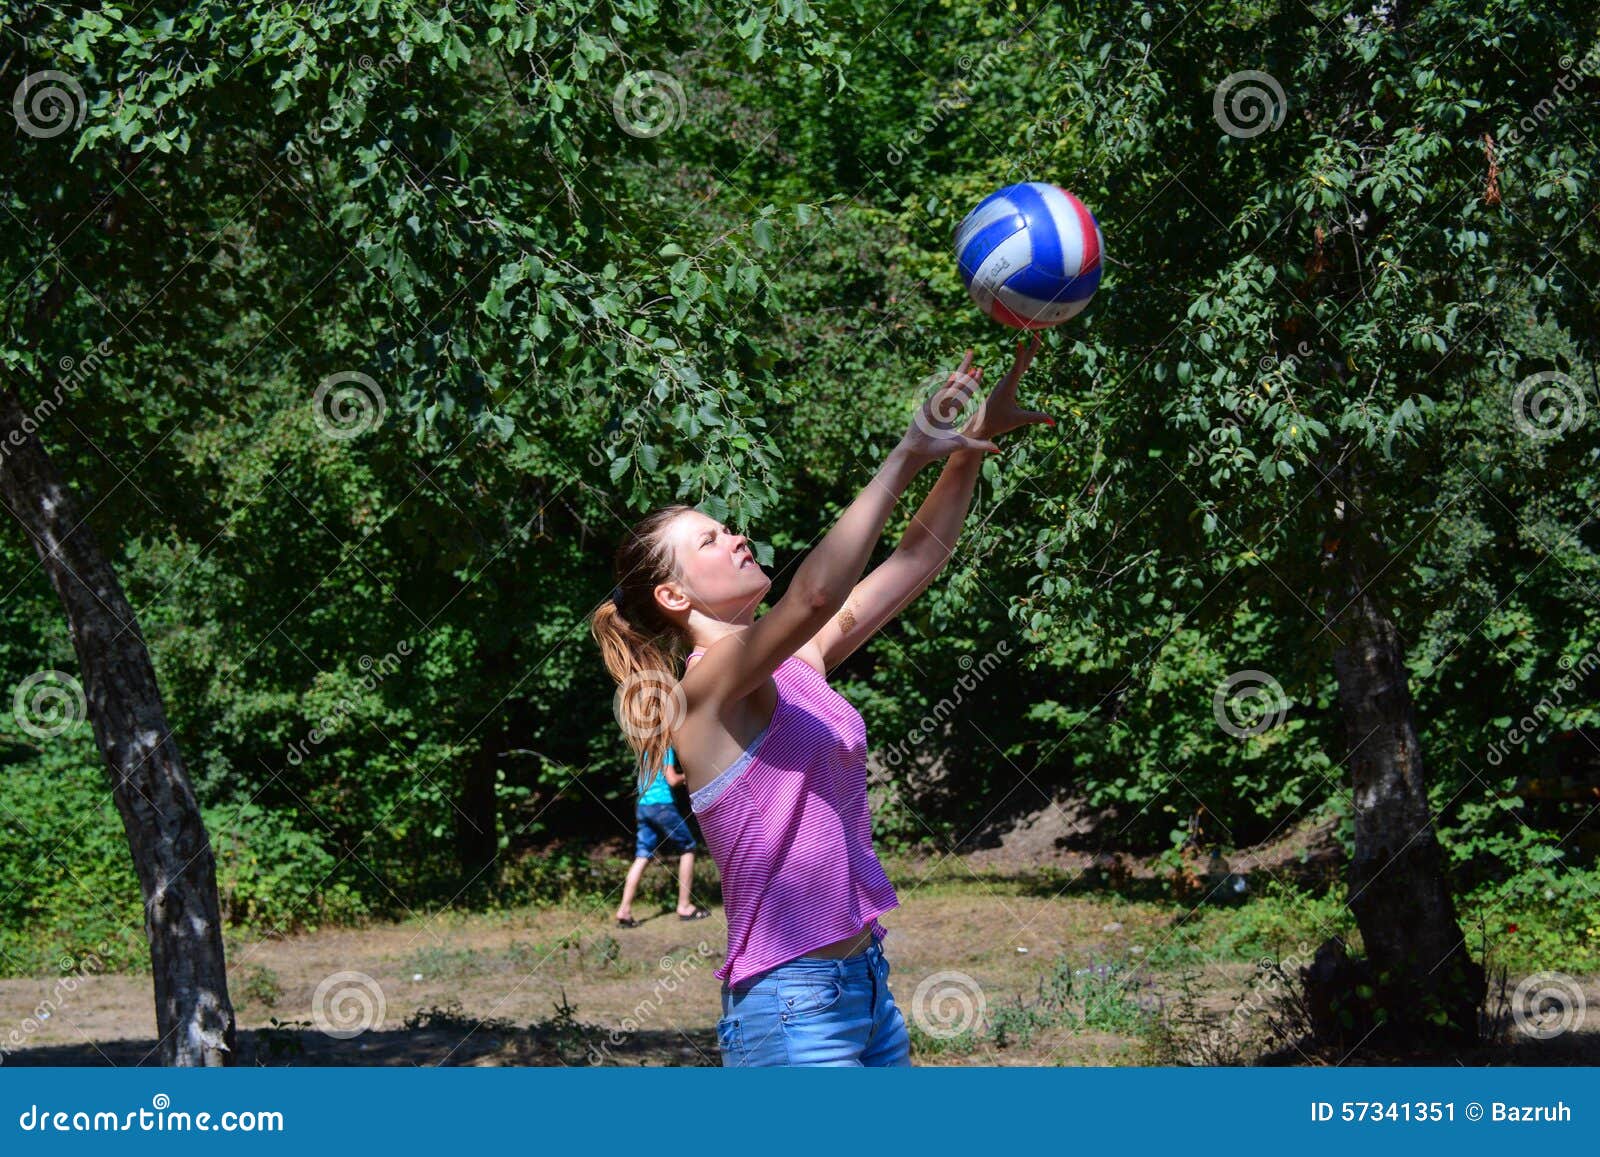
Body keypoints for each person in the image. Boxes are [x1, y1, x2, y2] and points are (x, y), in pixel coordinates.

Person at [589, 337, 1049, 1066]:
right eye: (710, 539)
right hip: (789, 1008)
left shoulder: (797, 660)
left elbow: (919, 555)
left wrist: (969, 446)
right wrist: (906, 453)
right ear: (673, 596)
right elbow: (814, 593)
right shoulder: (698, 694)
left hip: (867, 988)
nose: (736, 536)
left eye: (726, 526)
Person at [615, 745, 711, 927]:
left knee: (642, 855)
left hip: (643, 805)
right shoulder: (664, 748)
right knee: (688, 847)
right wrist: (690, 776)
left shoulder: (643, 749)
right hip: (661, 805)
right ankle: (684, 906)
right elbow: (672, 780)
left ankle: (624, 910)